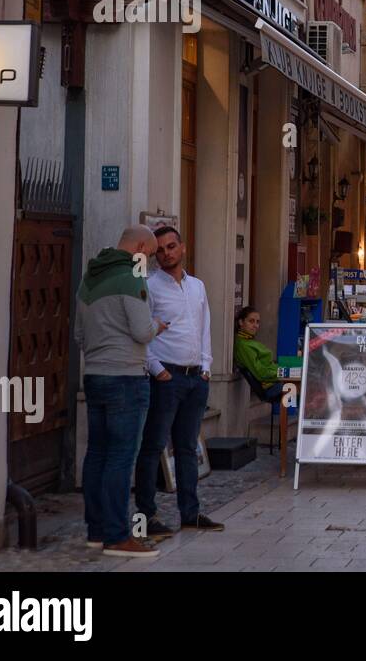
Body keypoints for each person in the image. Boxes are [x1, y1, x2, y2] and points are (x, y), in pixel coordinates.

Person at [78, 226, 164, 558]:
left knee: (97, 453)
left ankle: (96, 531)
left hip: (95, 374)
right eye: (152, 254)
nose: (152, 261)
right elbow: (143, 331)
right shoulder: (132, 276)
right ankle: (117, 536)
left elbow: (78, 333)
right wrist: (159, 325)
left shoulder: (90, 277)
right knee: (120, 457)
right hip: (126, 378)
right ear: (140, 247)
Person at [134, 226, 223, 539]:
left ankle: (190, 513)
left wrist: (207, 366)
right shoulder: (149, 286)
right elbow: (141, 331)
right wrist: (156, 368)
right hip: (166, 377)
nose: (167, 253)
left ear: (183, 247)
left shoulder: (197, 286)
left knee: (187, 448)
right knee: (153, 446)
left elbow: (205, 327)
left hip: (195, 377)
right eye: (160, 249)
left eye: (171, 247)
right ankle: (146, 515)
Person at [233, 306, 285, 398]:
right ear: (241, 322)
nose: (255, 325)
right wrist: (283, 372)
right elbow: (261, 373)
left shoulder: (249, 340)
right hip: (270, 386)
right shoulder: (243, 345)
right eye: (251, 321)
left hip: (276, 380)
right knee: (303, 390)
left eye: (257, 322)